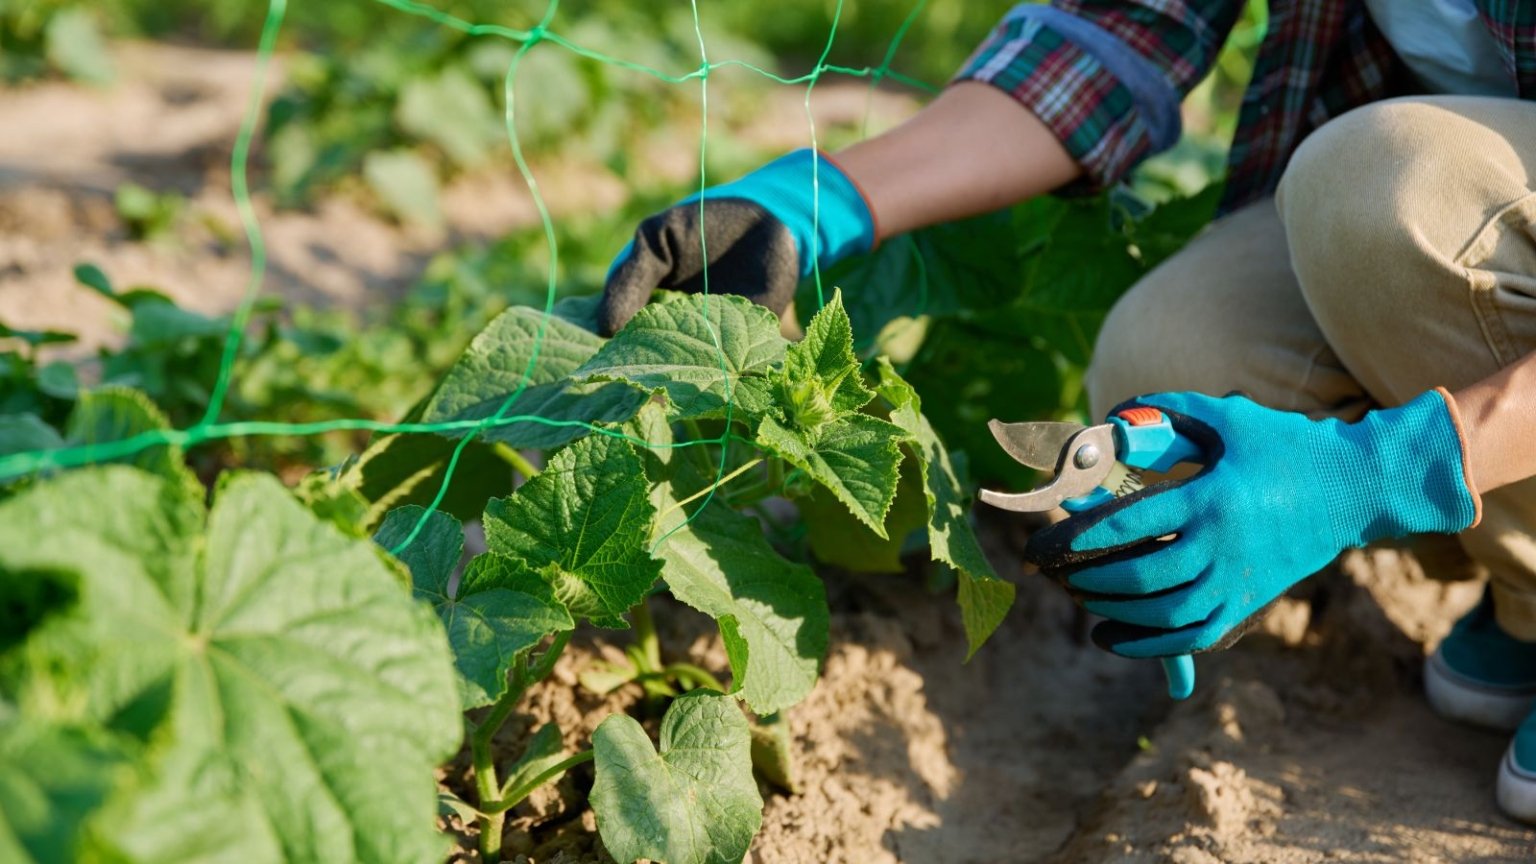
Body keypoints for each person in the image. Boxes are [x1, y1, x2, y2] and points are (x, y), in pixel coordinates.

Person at [597, 1, 1536, 822]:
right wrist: (818, 201)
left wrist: (1382, 466)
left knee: (1385, 184)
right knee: (1174, 357)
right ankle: (1525, 590)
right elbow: (1119, 24)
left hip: (1408, 185)